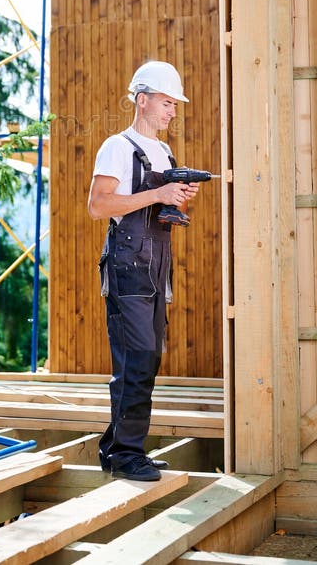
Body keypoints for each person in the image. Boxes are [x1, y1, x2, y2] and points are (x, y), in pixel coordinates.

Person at [87, 61, 200, 481]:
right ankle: (126, 454)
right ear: (143, 99)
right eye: (168, 102)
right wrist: (158, 192)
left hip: (156, 269)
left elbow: (155, 209)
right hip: (127, 268)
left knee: (148, 360)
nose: (173, 111)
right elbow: (98, 206)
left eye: (174, 104)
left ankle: (119, 449)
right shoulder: (117, 146)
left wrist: (176, 201)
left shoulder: (164, 152)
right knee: (135, 361)